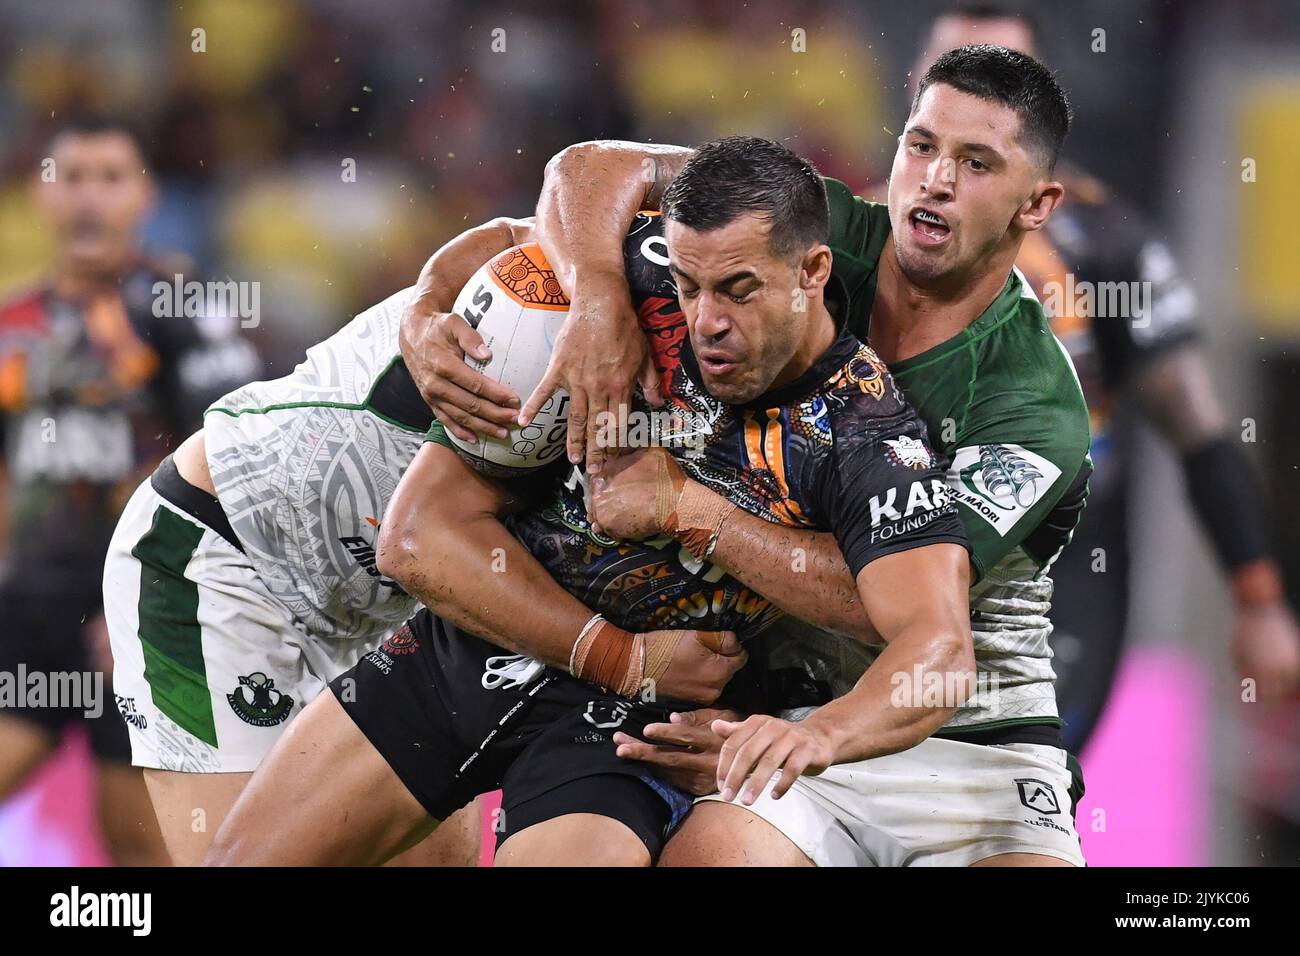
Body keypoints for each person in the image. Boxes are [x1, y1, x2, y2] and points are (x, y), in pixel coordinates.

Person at [405, 46, 1093, 866]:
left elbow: (879, 604)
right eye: (921, 145)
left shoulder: (1031, 404)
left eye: (976, 163)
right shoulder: (815, 229)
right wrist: (592, 299)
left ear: (1038, 202)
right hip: (784, 725)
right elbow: (592, 170)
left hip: (975, 739)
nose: (936, 179)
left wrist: (689, 511)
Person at [203, 140, 977, 867]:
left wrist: (819, 733)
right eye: (689, 285)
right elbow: (525, 221)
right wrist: (436, 307)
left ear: (812, 271)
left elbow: (937, 651)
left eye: (738, 291)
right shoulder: (634, 279)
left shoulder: (867, 431)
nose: (706, 322)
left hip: (634, 724)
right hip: (472, 643)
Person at [98, 220, 577, 865]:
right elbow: (549, 203)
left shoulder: (636, 278)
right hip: (212, 560)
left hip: (380, 602)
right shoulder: (606, 250)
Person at [890, 3, 1300, 752]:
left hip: (1056, 581)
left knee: (1013, 810)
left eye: (1002, 80)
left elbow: (1200, 428)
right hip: (891, 554)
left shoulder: (1108, 244)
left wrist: (1260, 600)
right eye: (953, 73)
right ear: (916, 86)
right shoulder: (848, 225)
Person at [0, 117, 259, 865]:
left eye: (110, 177)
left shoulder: (182, 310)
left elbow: (232, 460)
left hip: (145, 616)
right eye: (71, 176)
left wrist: (146, 595)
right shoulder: (14, 325)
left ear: (143, 195)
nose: (89, 197)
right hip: (33, 611)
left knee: (139, 851)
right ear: (41, 196)